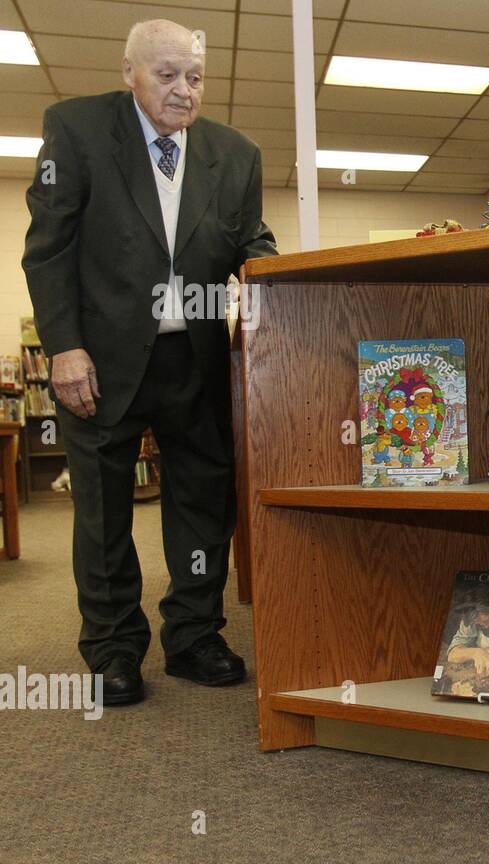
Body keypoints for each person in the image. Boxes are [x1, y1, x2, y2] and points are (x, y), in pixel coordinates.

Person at [22, 19, 278, 706]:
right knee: (103, 509)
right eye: (166, 74)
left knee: (202, 504)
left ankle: (194, 636)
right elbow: (48, 249)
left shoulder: (236, 153)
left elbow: (250, 244)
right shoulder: (77, 132)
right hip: (97, 359)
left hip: (192, 358)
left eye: (194, 76)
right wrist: (64, 348)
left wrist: (285, 279)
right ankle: (113, 650)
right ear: (128, 71)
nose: (183, 90)